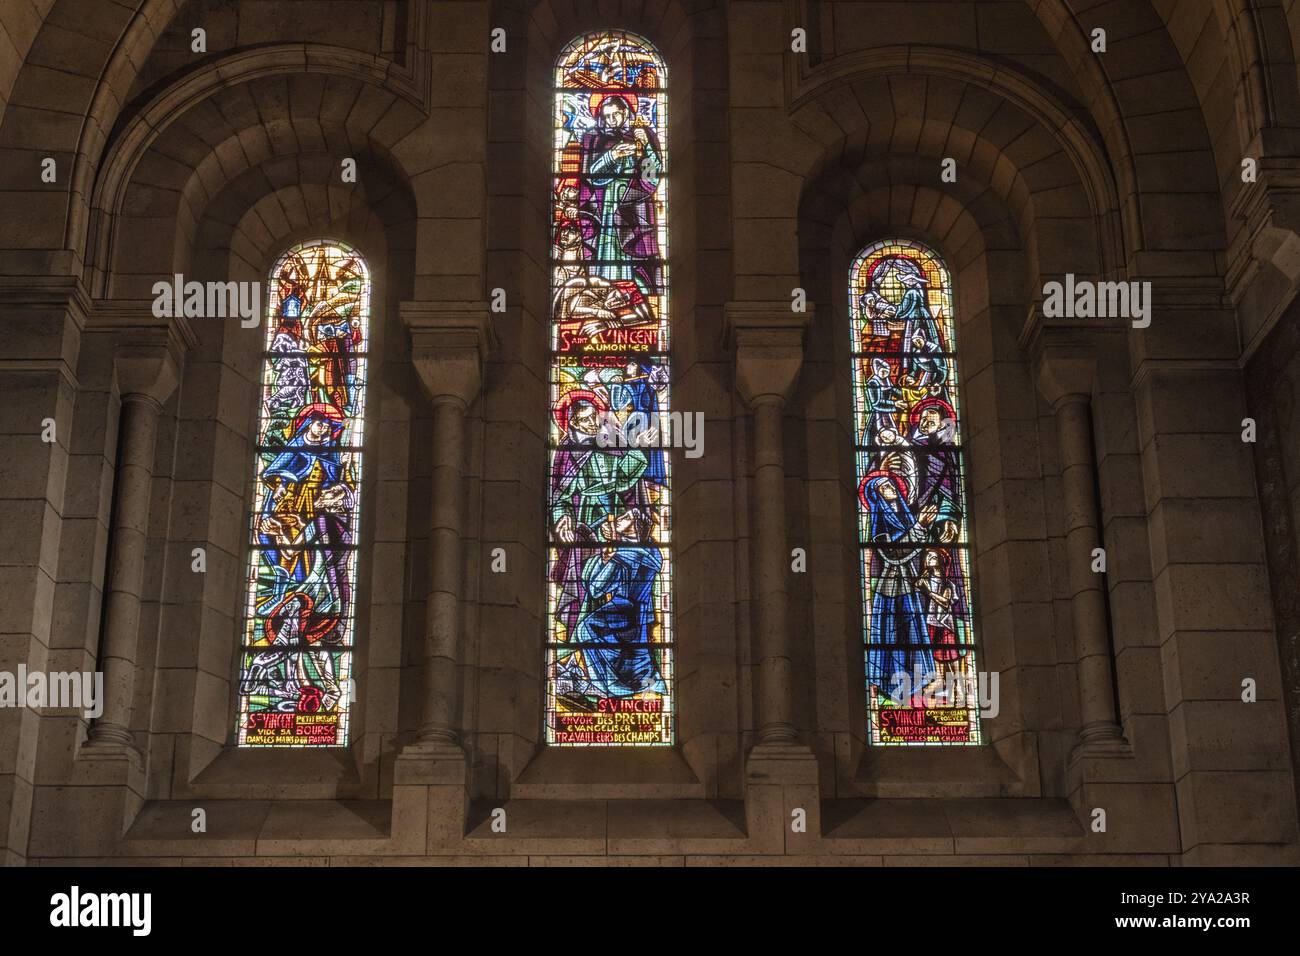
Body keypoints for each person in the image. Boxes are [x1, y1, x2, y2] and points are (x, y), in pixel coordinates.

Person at [860, 472, 936, 705]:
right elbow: (892, 554)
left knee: (912, 632)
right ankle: (890, 685)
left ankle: (918, 682)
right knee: (892, 632)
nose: (891, 489)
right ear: (877, 495)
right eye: (885, 488)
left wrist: (920, 527)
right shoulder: (879, 523)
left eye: (891, 485)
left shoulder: (904, 517)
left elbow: (914, 550)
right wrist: (919, 527)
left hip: (909, 583)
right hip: (891, 587)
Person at [577, 91, 663, 297]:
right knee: (609, 246)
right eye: (606, 116)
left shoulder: (644, 134)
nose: (611, 120)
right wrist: (613, 155)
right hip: (607, 201)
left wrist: (647, 148)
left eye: (615, 114)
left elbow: (653, 175)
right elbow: (592, 177)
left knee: (635, 246)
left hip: (636, 200)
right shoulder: (594, 139)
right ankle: (606, 292)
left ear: (626, 112)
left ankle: (637, 294)